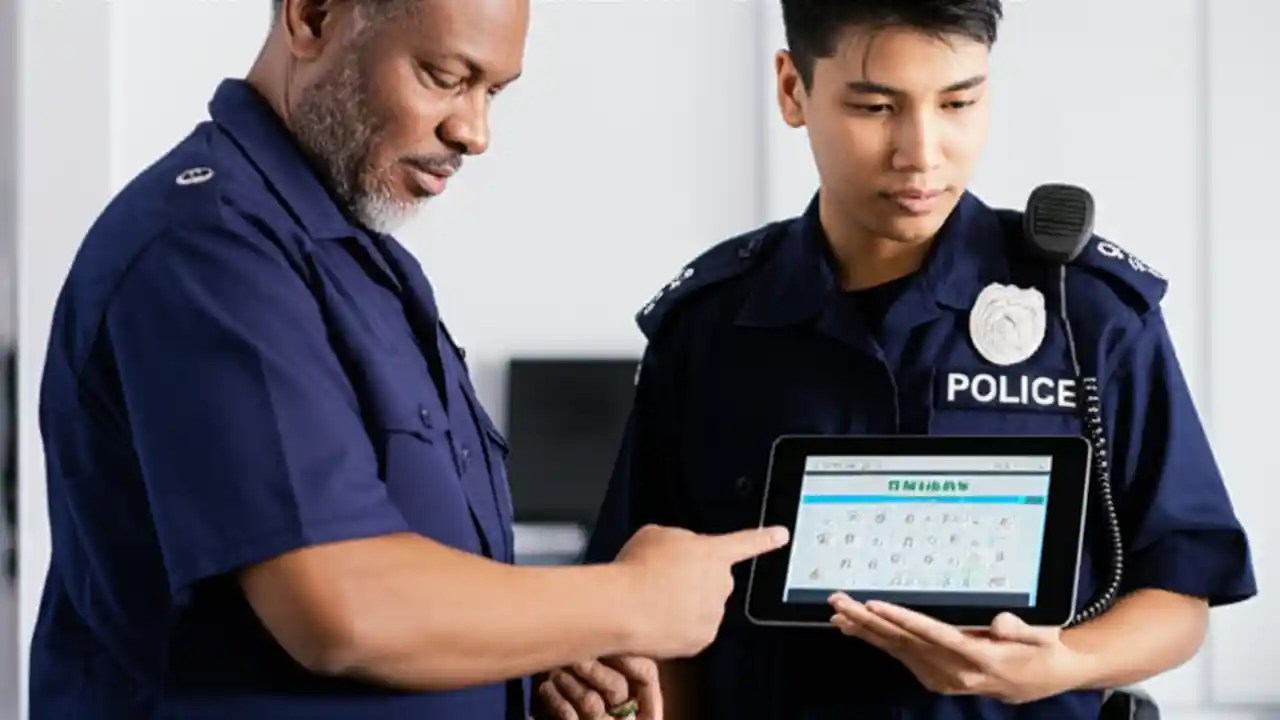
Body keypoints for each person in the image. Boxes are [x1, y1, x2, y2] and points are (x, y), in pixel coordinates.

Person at [28, 1, 791, 718]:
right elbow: (343, 606)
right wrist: (632, 599)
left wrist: (529, 660)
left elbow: (408, 579)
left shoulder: (367, 267)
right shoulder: (209, 249)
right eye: (446, 78)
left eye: (495, 90)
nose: (476, 131)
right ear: (314, 15)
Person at [538, 0, 1258, 718]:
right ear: (794, 90)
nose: (922, 151)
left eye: (958, 102)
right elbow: (646, 606)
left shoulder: (1088, 312)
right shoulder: (711, 327)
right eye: (877, 107)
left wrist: (1061, 664)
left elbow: (1180, 591)